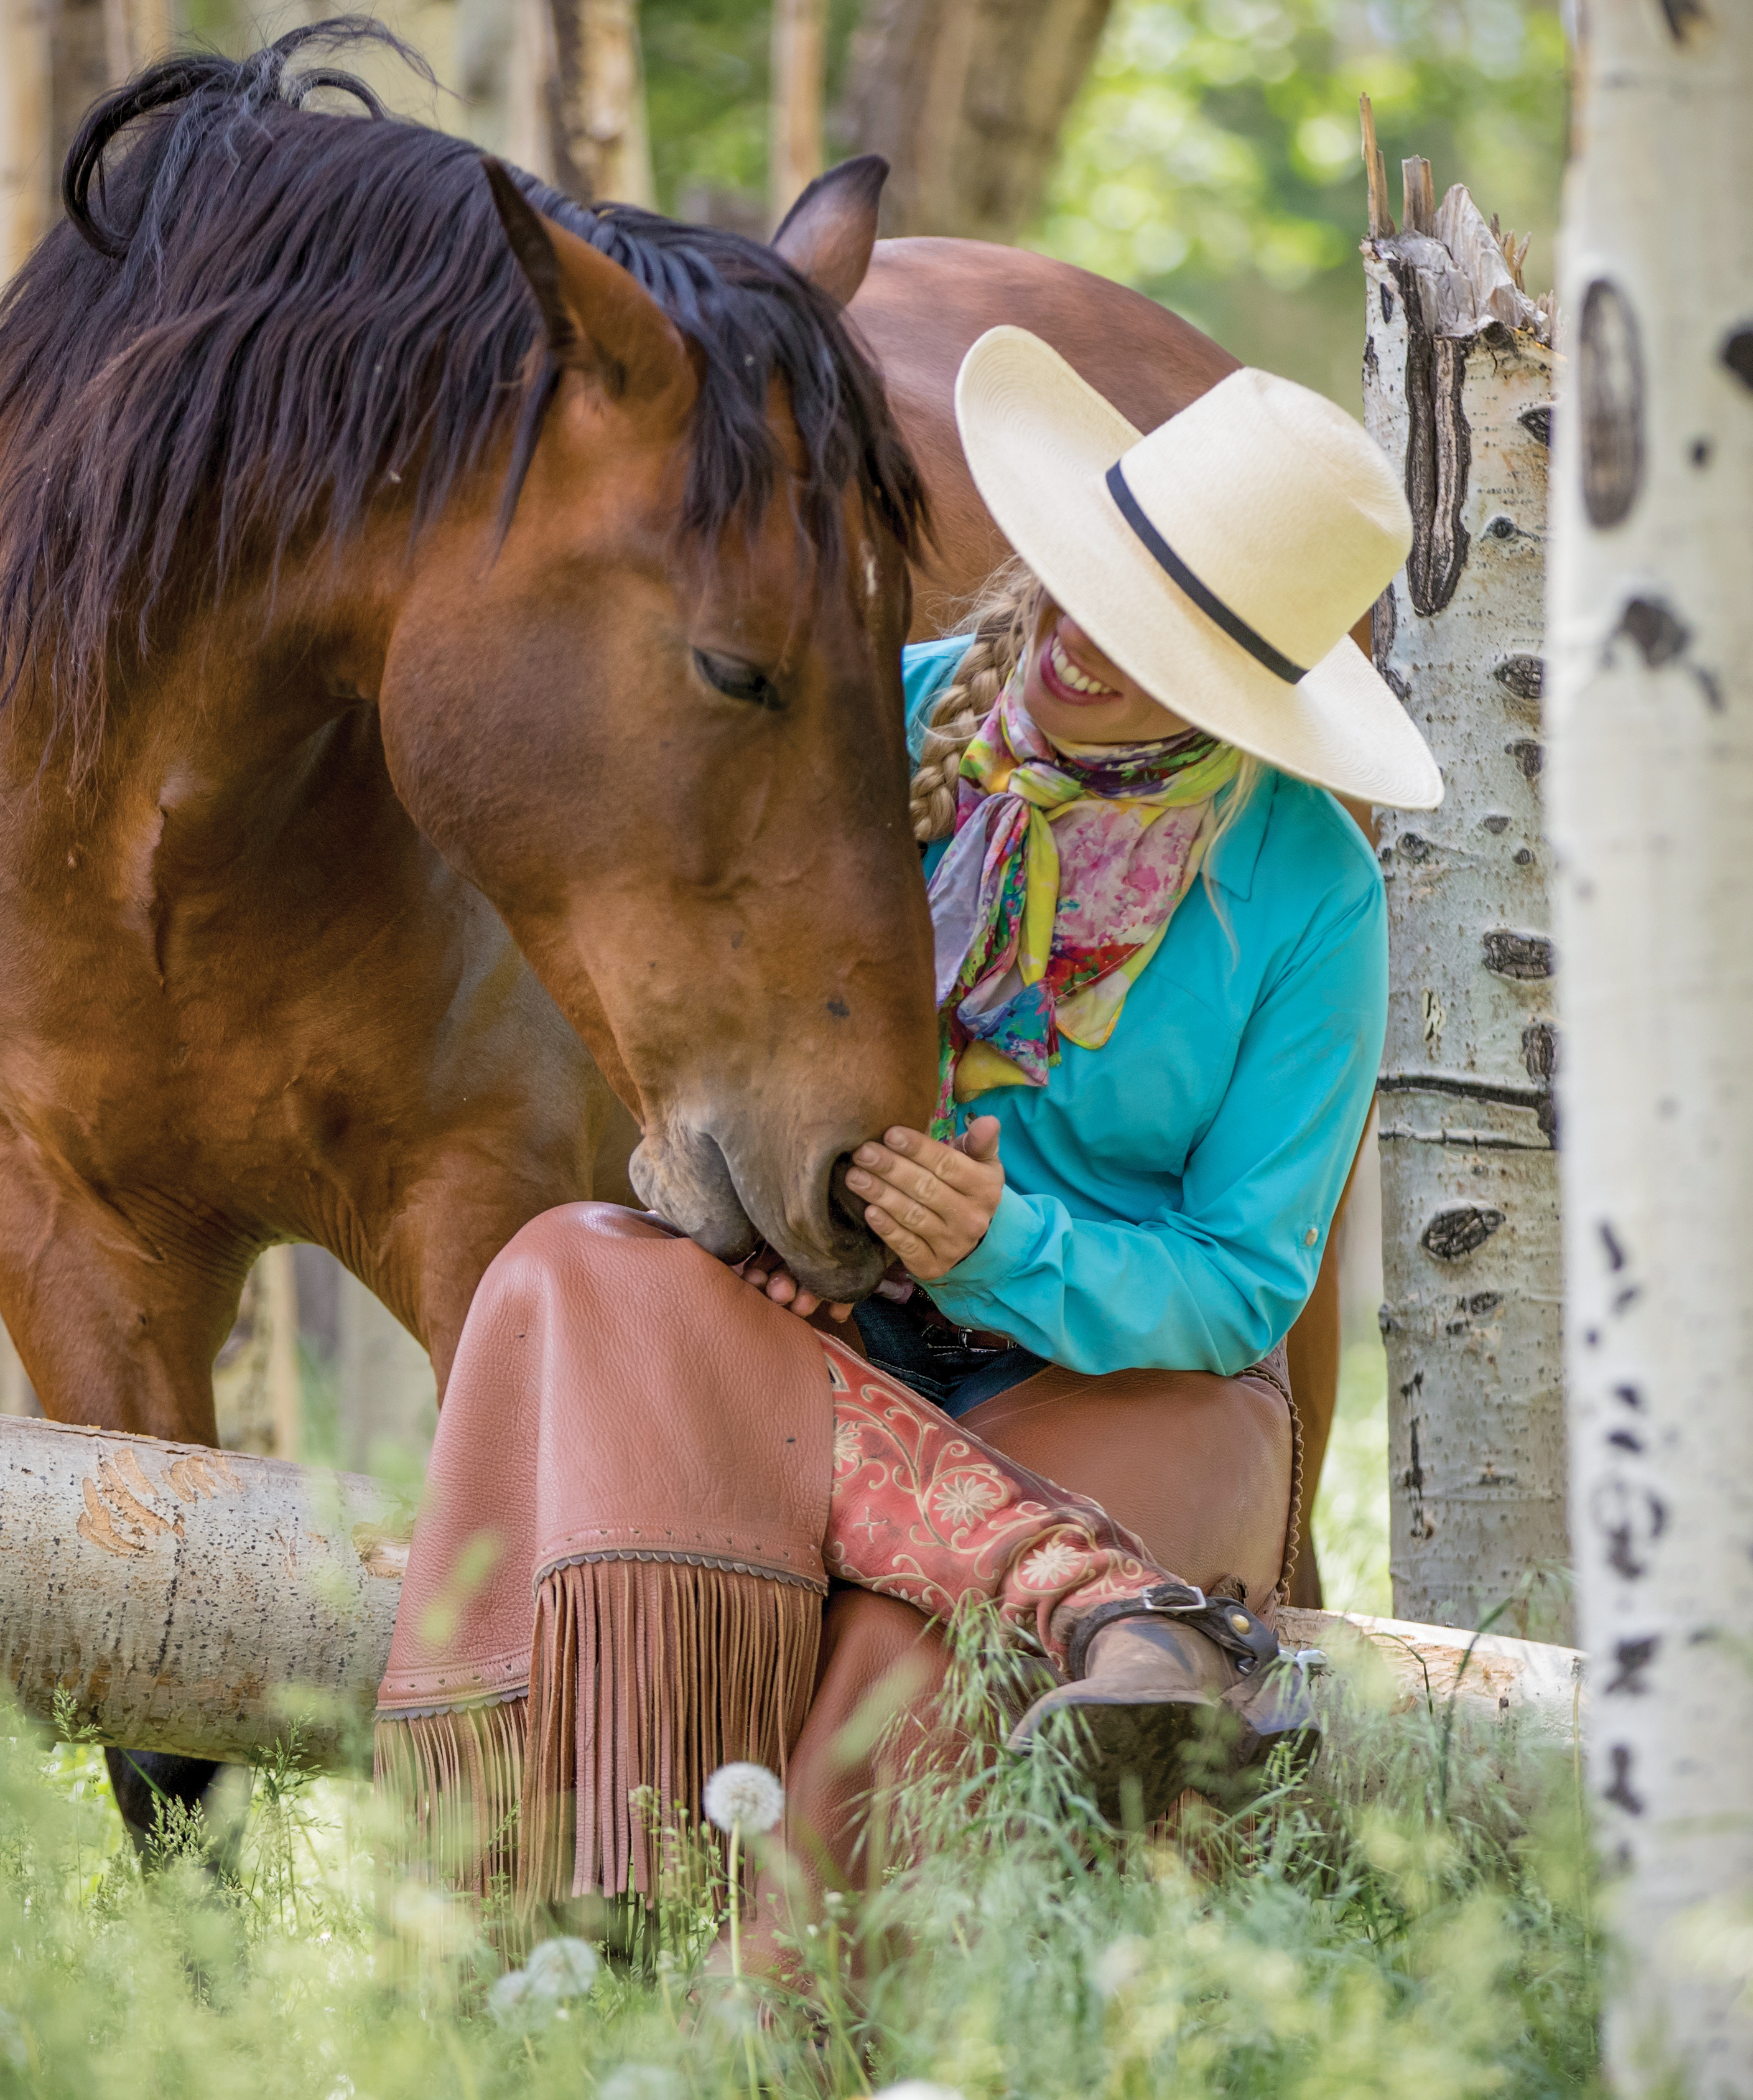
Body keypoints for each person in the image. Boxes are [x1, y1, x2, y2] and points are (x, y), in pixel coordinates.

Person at [376, 327, 1441, 1900]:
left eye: (1157, 642)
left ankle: (780, 2001)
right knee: (566, 1270)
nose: (1085, 642)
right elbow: (712, 1014)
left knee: (899, 1664)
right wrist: (763, 1216)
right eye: (1096, 580)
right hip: (825, 1337)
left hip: (1115, 1382)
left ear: (1244, 694)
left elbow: (1243, 1283)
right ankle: (1078, 1601)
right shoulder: (872, 713)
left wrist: (1001, 1246)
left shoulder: (1313, 896)